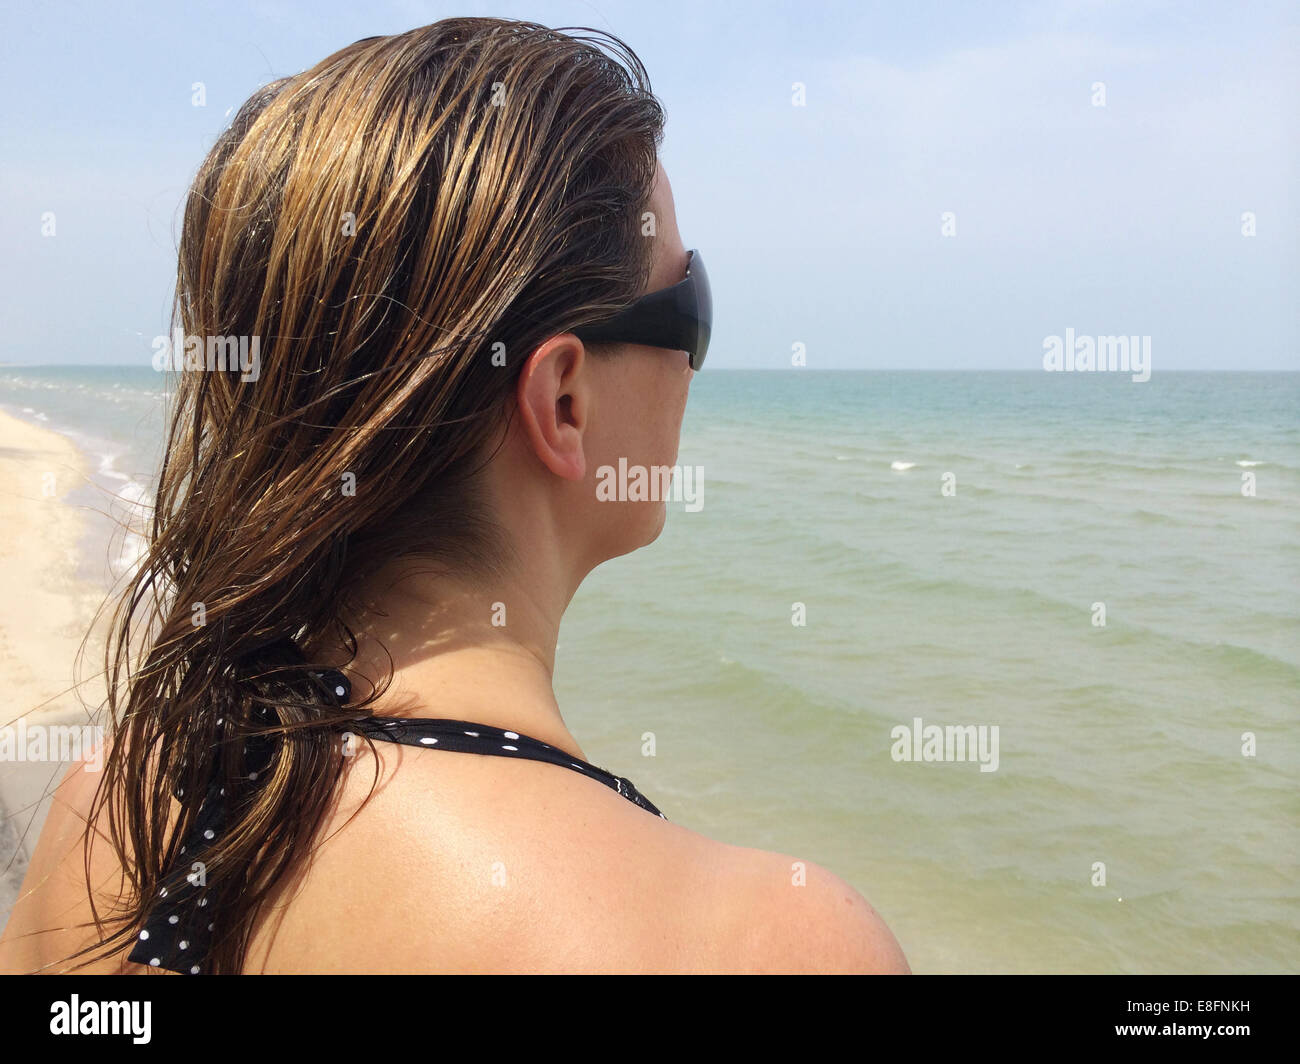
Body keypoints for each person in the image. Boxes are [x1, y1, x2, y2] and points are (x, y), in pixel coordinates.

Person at [0, 17, 908, 975]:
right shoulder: (771, 943)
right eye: (691, 307)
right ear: (562, 399)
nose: (694, 362)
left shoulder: (118, 813)